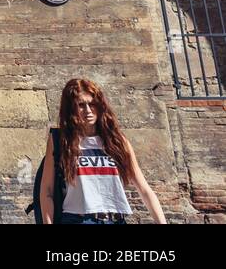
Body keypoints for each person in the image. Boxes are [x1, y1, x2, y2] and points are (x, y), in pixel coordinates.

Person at [40, 78, 166, 225]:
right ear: (71, 109)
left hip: (115, 219)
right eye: (81, 105)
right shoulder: (60, 141)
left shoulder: (117, 141)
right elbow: (47, 191)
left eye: (92, 104)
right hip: (79, 220)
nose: (88, 110)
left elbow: (144, 189)